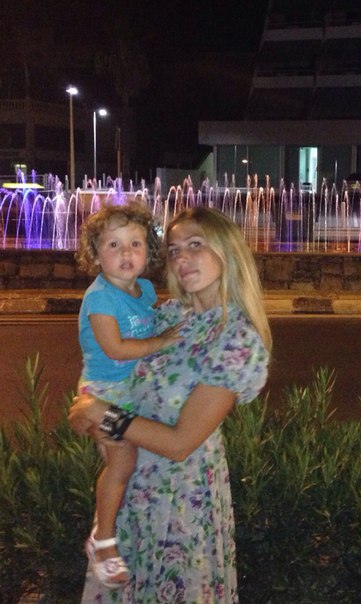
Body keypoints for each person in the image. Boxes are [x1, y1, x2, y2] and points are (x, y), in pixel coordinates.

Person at [69, 205, 272, 603]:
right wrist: (89, 415)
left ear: (226, 250)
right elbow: (117, 378)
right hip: (130, 495)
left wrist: (104, 416)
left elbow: (181, 443)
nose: (181, 258)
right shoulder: (167, 317)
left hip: (181, 505)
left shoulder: (235, 340)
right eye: (174, 249)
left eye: (195, 244)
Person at [76, 202, 183, 588]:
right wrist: (161, 342)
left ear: (148, 251)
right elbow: (116, 349)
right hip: (104, 393)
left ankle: (120, 534)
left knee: (133, 468)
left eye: (135, 244)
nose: (126, 253)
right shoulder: (100, 298)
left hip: (131, 391)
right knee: (122, 463)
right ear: (95, 253)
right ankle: (102, 541)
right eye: (114, 245)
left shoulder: (145, 290)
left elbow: (148, 323)